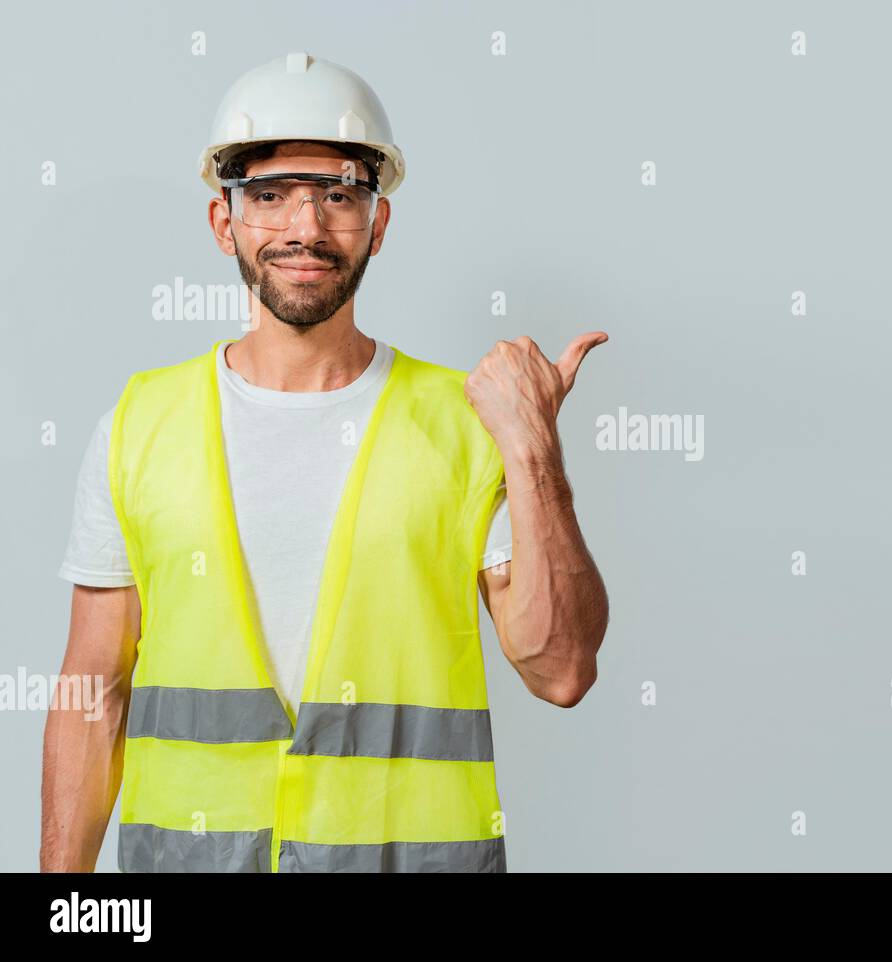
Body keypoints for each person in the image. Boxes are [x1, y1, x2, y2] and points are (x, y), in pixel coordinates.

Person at [39, 52, 609, 873]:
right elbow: (92, 692)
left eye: (337, 195)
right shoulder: (140, 425)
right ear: (222, 224)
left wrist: (533, 447)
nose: (304, 228)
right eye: (269, 196)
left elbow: (561, 670)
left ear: (378, 224)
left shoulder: (466, 423)